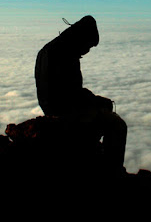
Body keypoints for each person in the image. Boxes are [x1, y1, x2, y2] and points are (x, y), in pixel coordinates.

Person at [34, 15, 127, 169]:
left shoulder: (52, 50)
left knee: (104, 112)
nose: (87, 50)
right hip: (64, 112)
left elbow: (67, 90)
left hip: (55, 108)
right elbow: (67, 94)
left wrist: (92, 99)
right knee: (117, 125)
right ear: (81, 39)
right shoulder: (62, 55)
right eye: (88, 46)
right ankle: (112, 171)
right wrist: (95, 101)